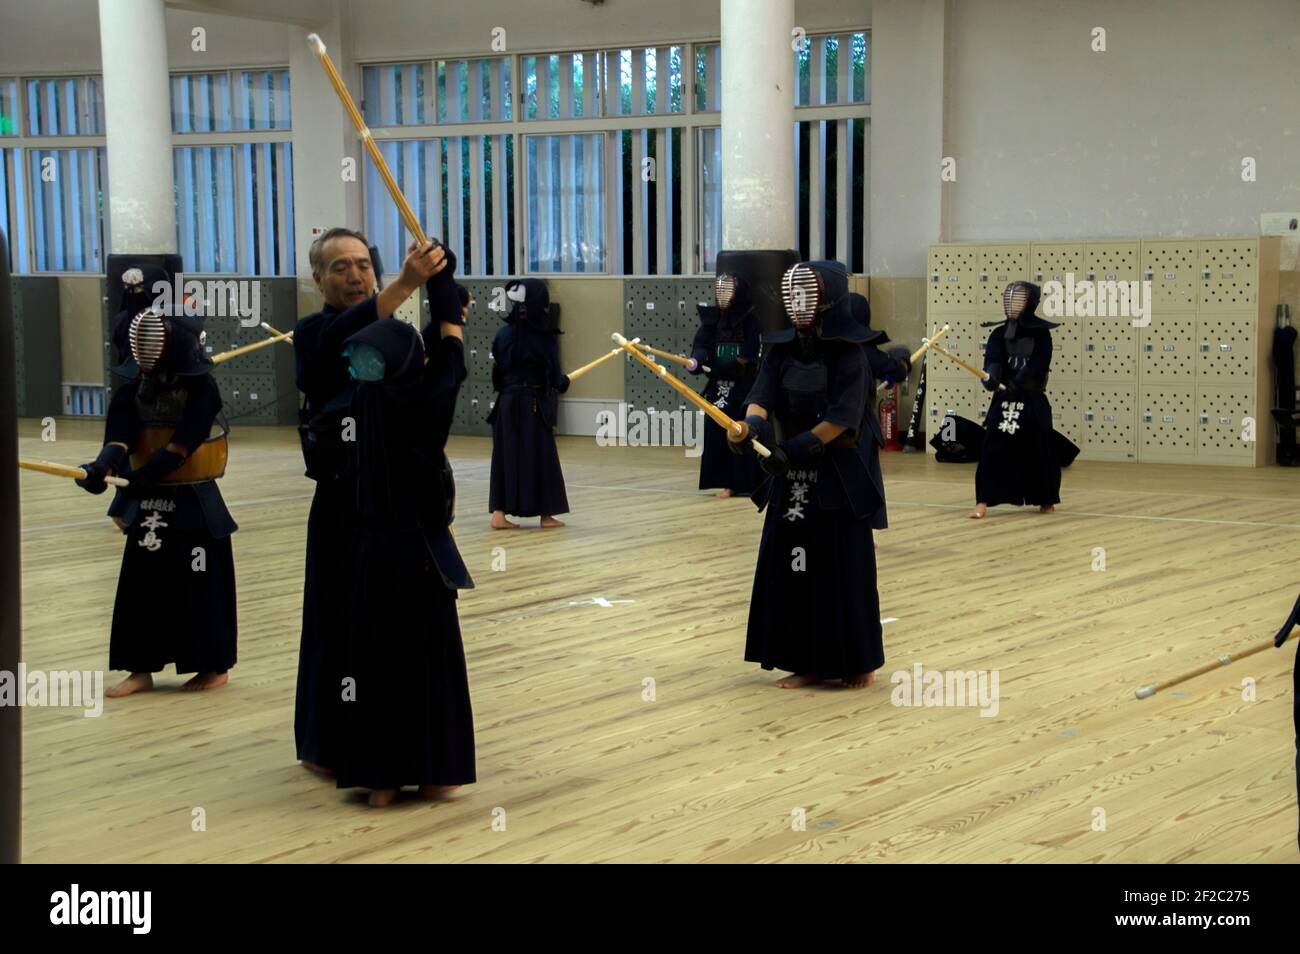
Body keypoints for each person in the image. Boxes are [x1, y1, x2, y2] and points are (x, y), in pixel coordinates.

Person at [292, 229, 450, 774]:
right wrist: (408, 283)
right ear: (318, 279)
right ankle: (331, 741)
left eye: (362, 264)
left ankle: (387, 745)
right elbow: (337, 342)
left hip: (391, 504)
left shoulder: (392, 335)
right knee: (335, 617)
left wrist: (446, 300)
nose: (354, 275)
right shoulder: (313, 333)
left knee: (383, 629)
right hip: (340, 503)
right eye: (339, 267)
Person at [332, 273, 476, 807]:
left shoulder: (365, 398)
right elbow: (450, 360)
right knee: (425, 660)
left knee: (376, 659)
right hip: (417, 552)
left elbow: (433, 358)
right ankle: (435, 770)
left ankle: (381, 780)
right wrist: (445, 296)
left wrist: (438, 286)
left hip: (372, 552)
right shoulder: (425, 405)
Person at [728, 261, 884, 689]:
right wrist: (752, 428)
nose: (798, 303)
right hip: (790, 475)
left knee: (841, 569)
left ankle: (857, 662)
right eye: (792, 294)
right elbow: (761, 396)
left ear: (827, 298)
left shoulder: (850, 353)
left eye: (807, 293)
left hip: (836, 475)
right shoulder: (780, 349)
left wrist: (797, 448)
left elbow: (842, 417)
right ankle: (805, 660)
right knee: (792, 566)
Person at [77, 306, 237, 697]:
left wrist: (140, 478)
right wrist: (101, 468)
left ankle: (213, 666)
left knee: (200, 582)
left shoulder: (202, 389)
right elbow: (120, 437)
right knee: (141, 583)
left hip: (193, 498)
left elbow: (182, 445)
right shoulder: (136, 386)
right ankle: (140, 668)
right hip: (148, 500)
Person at [969, 281, 1064, 519]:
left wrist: (1018, 381)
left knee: (1040, 447)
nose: (1012, 304)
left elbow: (1039, 363)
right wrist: (992, 378)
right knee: (993, 447)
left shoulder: (1041, 335)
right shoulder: (999, 333)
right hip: (1004, 400)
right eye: (1009, 299)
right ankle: (983, 501)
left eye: (1018, 299)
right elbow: (993, 359)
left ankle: (1045, 498)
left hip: (1032, 399)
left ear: (1030, 303)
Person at [487, 278, 570, 529]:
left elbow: (497, 373)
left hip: (507, 402)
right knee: (542, 455)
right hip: (533, 403)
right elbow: (556, 380)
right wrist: (564, 382)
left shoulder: (502, 335)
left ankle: (499, 514)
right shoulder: (544, 339)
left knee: (505, 453)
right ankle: (546, 515)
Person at [688, 273, 763, 498]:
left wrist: (732, 366)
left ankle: (746, 482)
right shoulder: (713, 321)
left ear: (738, 293)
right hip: (718, 387)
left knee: (741, 431)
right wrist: (696, 361)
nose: (722, 295)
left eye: (727, 291)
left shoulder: (751, 321)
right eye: (719, 291)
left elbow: (752, 355)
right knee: (716, 430)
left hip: (744, 388)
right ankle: (725, 481)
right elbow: (702, 345)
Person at [848, 293, 911, 531]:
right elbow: (897, 372)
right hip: (858, 426)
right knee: (863, 476)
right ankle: (861, 530)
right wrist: (903, 362)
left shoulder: (832, 345)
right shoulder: (867, 350)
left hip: (832, 423)